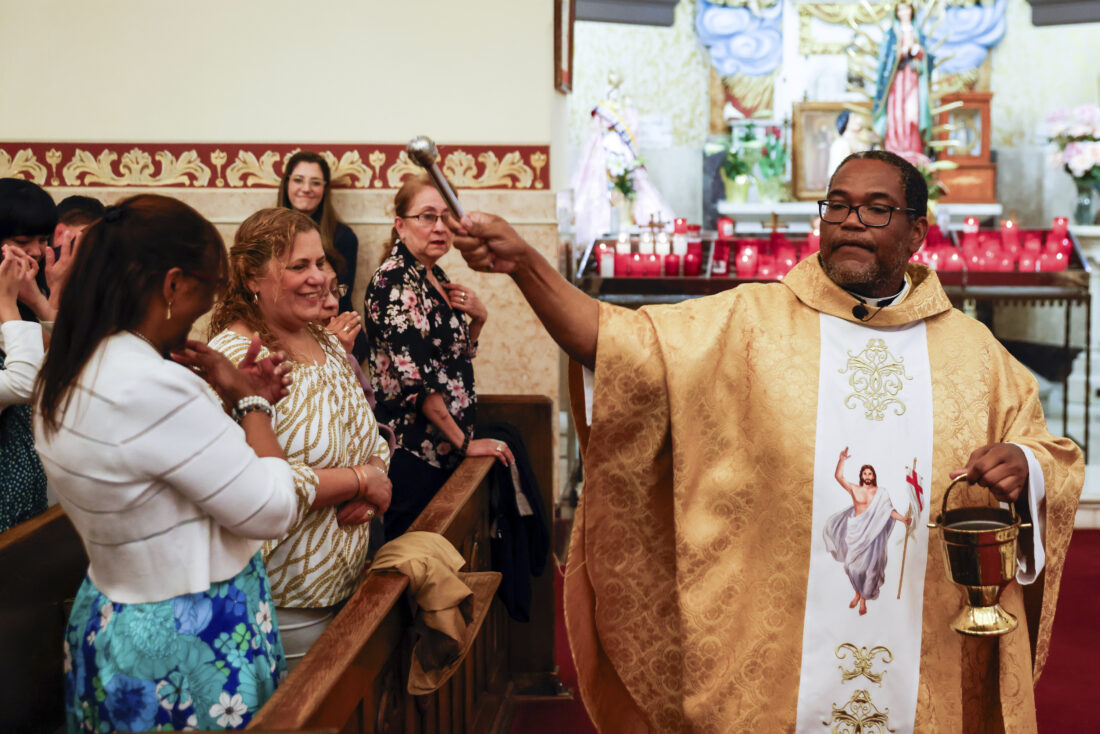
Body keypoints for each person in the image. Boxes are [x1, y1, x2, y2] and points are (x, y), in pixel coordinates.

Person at [447, 150, 1083, 732]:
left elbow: (1045, 453)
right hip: (775, 653)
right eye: (837, 205)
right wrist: (525, 266)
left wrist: (1024, 465)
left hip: (926, 643)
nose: (851, 220)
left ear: (916, 232)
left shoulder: (974, 354)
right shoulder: (747, 322)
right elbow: (613, 343)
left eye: (876, 208)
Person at [32, 194, 301, 731]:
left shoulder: (68, 366)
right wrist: (252, 405)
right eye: (212, 287)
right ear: (174, 285)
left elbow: (161, 477)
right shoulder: (153, 385)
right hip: (183, 638)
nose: (210, 305)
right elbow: (273, 510)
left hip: (113, 616)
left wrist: (227, 407)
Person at [208, 207, 392, 669]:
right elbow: (248, 484)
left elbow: (368, 437)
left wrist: (372, 485)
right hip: (284, 597)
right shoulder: (231, 359)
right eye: (298, 266)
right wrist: (360, 481)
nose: (318, 277)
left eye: (321, 262)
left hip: (348, 580)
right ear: (252, 278)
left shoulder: (325, 340)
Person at [365, 174, 512, 541]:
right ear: (400, 225)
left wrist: (478, 321)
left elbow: (452, 364)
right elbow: (419, 385)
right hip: (414, 452)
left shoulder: (432, 274)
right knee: (413, 559)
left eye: (447, 217)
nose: (440, 227)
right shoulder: (394, 282)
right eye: (427, 216)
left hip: (444, 446)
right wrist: (465, 443)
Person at [276, 151, 366, 361]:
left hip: (331, 331)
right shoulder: (265, 234)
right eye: (298, 180)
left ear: (325, 189)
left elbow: (341, 300)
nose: (306, 188)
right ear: (287, 183)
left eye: (315, 182)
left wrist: (332, 342)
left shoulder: (344, 237)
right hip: (281, 330)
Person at [824, 447, 912, 616]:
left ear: (873, 476)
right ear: (861, 476)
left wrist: (903, 519)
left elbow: (888, 511)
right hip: (856, 534)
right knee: (851, 567)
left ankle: (862, 599)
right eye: (865, 473)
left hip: (874, 536)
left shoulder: (881, 493)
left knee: (871, 569)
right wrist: (841, 460)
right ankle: (857, 592)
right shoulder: (854, 489)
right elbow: (839, 477)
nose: (867, 476)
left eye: (870, 473)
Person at [0, 245, 46, 531]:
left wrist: (38, 301)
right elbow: (27, 383)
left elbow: (61, 364)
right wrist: (7, 304)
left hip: (26, 501)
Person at [872, 1, 932, 165]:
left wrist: (918, 52)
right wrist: (902, 52)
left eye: (907, 9)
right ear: (896, 12)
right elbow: (886, 59)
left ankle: (912, 148)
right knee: (896, 114)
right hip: (896, 81)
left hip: (912, 79)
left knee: (912, 114)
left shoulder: (918, 33)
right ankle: (895, 148)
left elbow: (926, 58)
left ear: (912, 11)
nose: (904, 12)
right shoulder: (891, 34)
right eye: (900, 9)